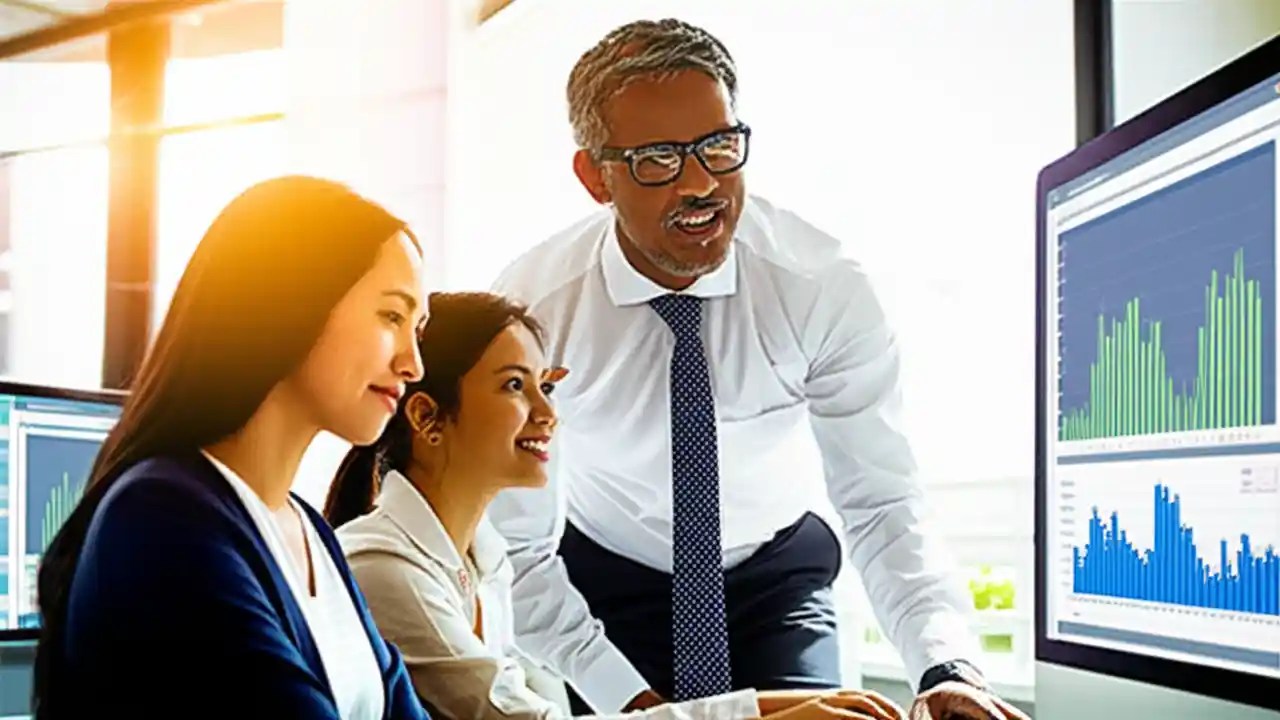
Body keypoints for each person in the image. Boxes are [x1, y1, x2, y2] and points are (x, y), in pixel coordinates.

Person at [486, 18, 1030, 720]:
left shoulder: (822, 287)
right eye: (658, 159)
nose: (701, 185)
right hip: (607, 584)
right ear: (596, 176)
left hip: (775, 573)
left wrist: (946, 665)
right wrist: (642, 708)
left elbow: (882, 503)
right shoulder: (535, 311)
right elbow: (517, 546)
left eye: (718, 147)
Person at [323, 291, 905, 720]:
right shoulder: (386, 570)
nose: (548, 414)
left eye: (545, 387)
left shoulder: (483, 562)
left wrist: (797, 702)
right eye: (512, 386)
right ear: (427, 417)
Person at [32, 176, 433, 720]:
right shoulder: (160, 518)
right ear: (293, 301)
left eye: (418, 327)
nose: (414, 364)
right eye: (391, 316)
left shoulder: (309, 532)